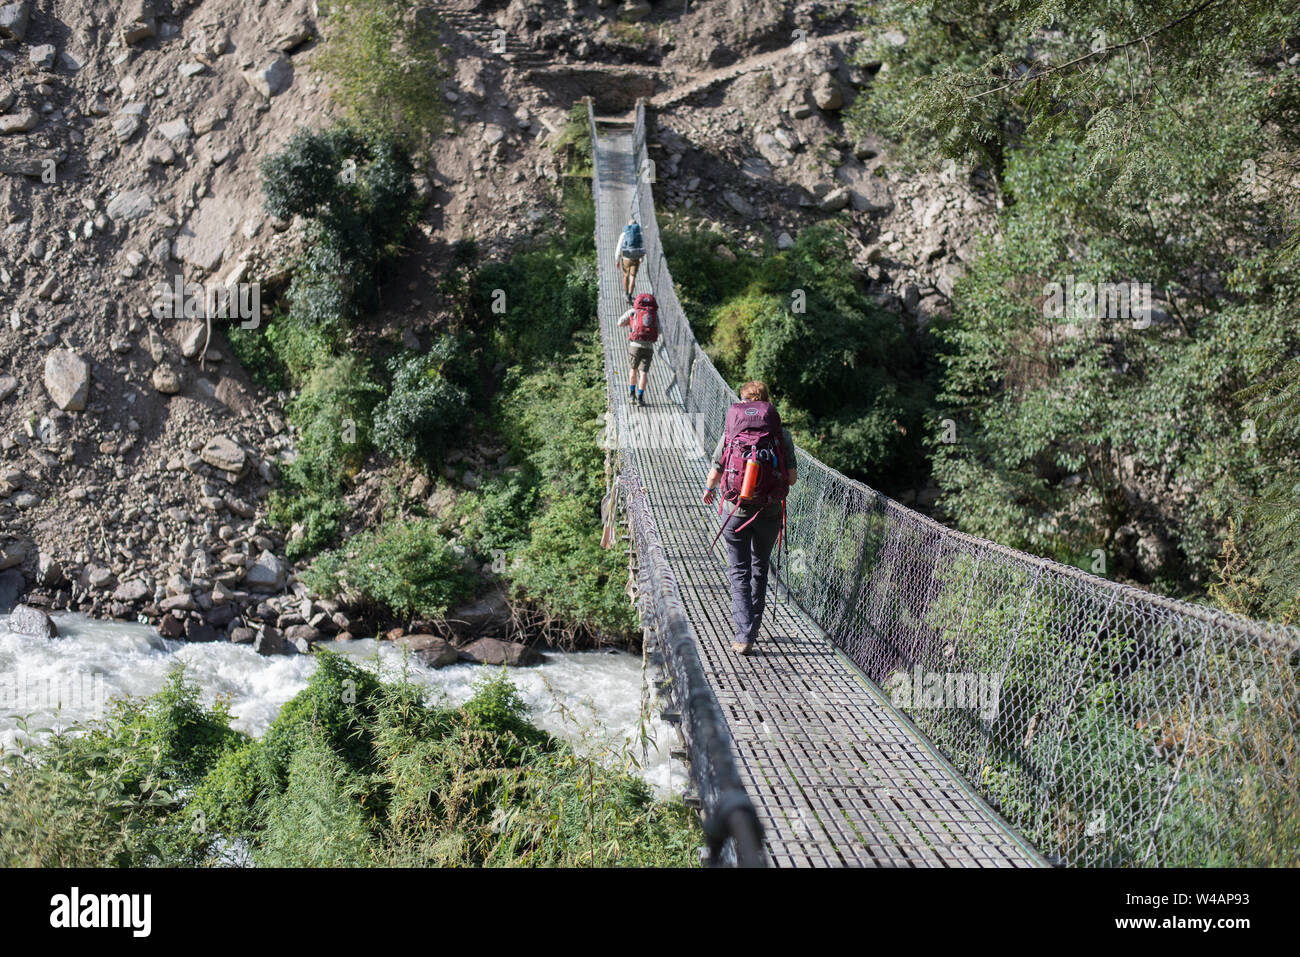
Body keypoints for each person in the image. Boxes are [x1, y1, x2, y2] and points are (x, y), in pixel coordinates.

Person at [702, 381, 798, 655]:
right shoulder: (781, 433)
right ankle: (752, 628)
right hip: (768, 510)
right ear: (767, 404)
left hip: (734, 510)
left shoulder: (732, 430)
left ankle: (744, 634)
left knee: (738, 571)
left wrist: (709, 490)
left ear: (742, 402)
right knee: (760, 566)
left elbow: (716, 470)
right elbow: (791, 478)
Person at [616, 292, 658, 406]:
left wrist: (630, 323)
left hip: (635, 345)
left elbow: (619, 323)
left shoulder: (633, 311)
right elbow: (659, 330)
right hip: (648, 346)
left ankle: (631, 395)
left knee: (633, 370)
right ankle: (640, 398)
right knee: (644, 373)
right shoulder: (654, 313)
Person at [614, 217, 645, 304]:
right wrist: (641, 258)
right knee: (632, 277)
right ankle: (630, 295)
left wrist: (617, 259)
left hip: (626, 257)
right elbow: (642, 246)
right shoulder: (640, 234)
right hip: (635, 258)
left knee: (625, 276)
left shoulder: (624, 234)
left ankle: (626, 293)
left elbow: (619, 247)